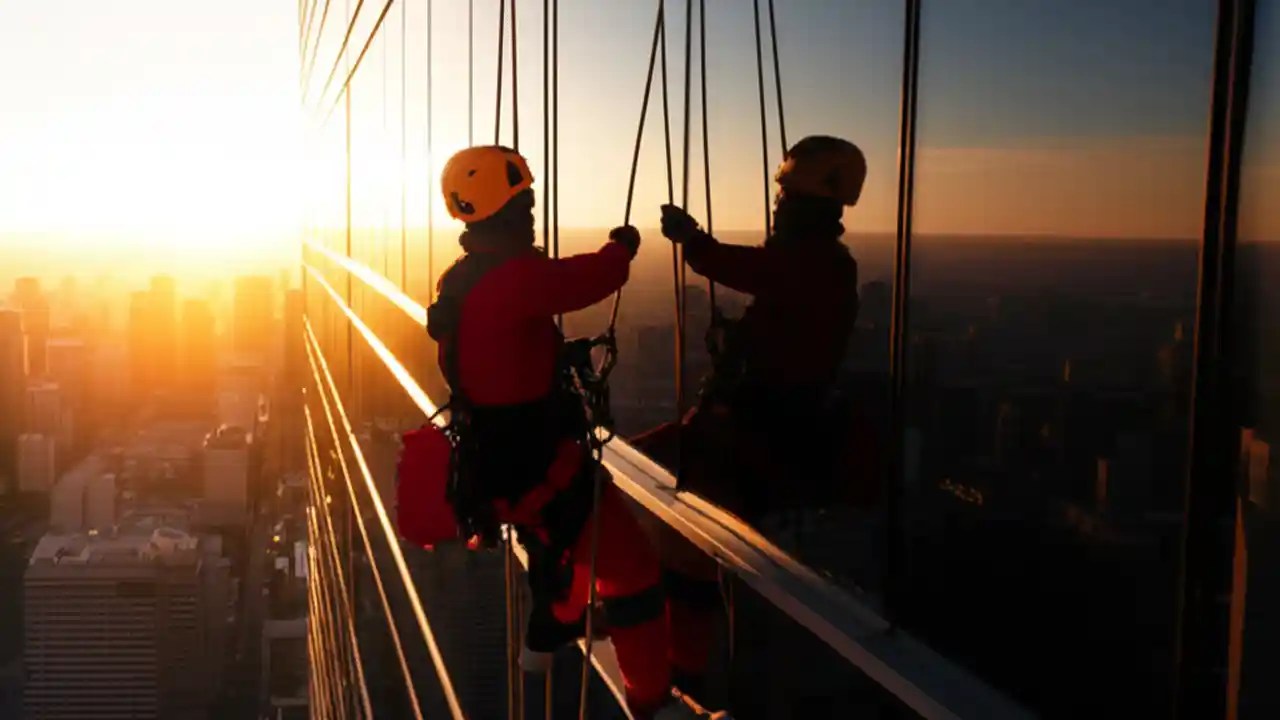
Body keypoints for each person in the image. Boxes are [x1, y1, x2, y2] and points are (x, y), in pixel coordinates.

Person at [427, 145, 729, 720]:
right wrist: (623, 246)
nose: (534, 212)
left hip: (502, 460)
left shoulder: (463, 278)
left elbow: (490, 352)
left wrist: (541, 358)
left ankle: (549, 630)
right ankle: (651, 703)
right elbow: (589, 278)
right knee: (633, 571)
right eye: (526, 202)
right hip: (540, 462)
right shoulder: (514, 279)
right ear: (506, 211)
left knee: (563, 543)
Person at [629, 135, 874, 699]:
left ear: (809, 204)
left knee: (682, 541)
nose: (777, 204)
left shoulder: (815, 264)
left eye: (785, 194)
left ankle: (677, 668)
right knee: (634, 479)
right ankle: (658, 640)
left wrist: (691, 240)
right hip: (744, 429)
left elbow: (734, 266)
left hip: (749, 436)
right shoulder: (819, 263)